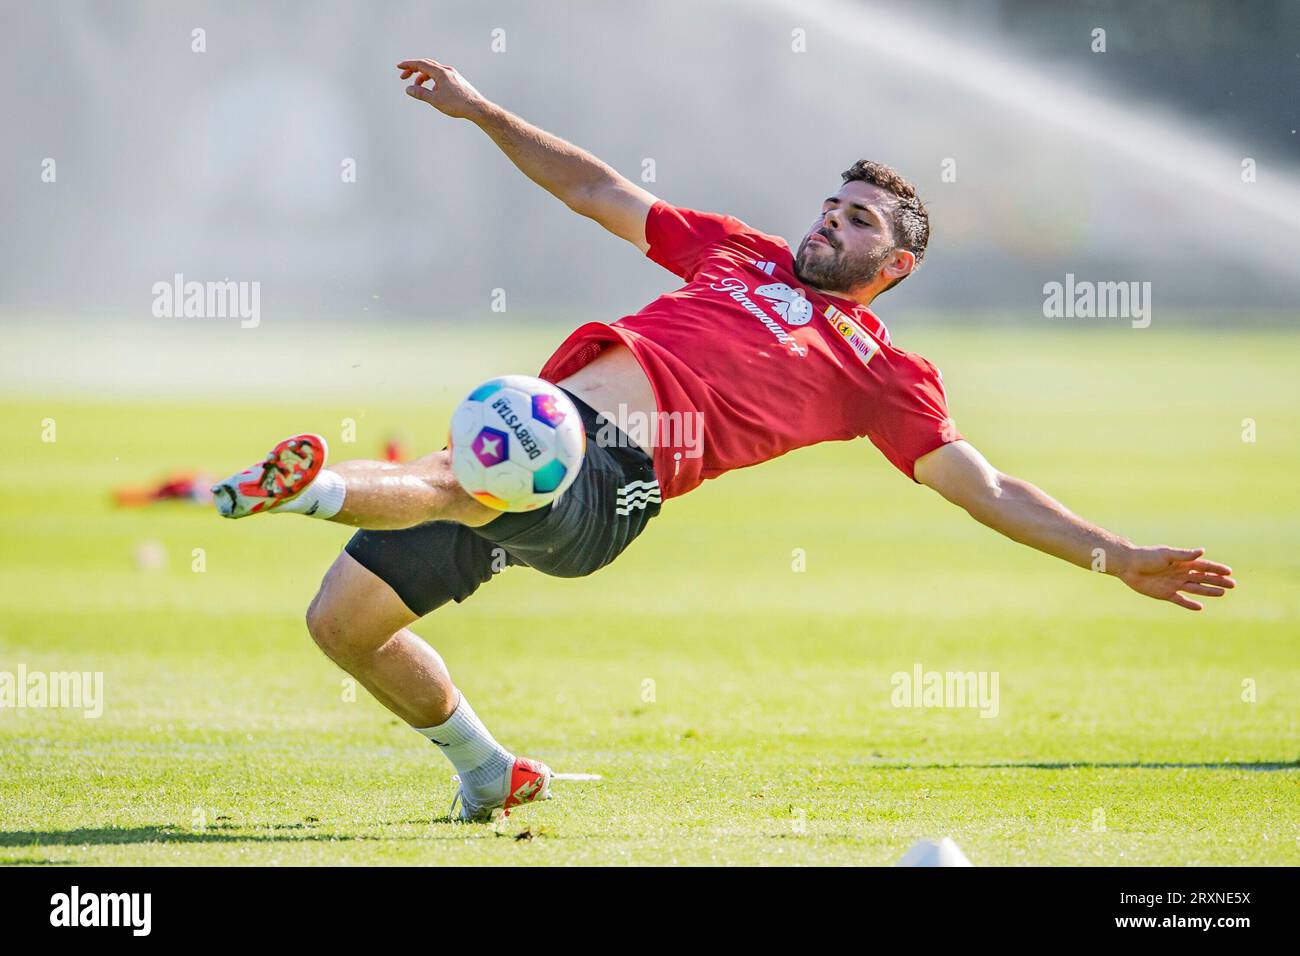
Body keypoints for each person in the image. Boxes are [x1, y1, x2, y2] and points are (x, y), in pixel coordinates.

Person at [211, 57, 1236, 822]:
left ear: (898, 265)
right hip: (542, 445)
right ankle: (490, 772)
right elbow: (598, 189)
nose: (834, 223)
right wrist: (482, 113)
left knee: (477, 457)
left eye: (863, 222)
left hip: (603, 482)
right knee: (343, 621)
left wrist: (1114, 555)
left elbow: (981, 484)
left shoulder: (881, 374)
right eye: (835, 206)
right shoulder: (741, 255)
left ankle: (302, 491)